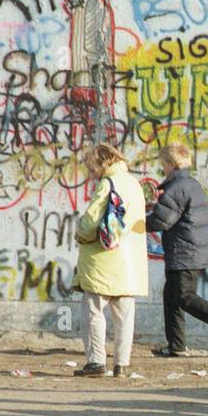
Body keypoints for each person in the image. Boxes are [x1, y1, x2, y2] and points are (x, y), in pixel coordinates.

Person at [147, 142, 208, 357]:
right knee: (171, 296)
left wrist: (139, 222)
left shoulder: (176, 188)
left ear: (171, 163)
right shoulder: (192, 184)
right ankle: (176, 346)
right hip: (193, 250)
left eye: (163, 163)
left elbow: (163, 221)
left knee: (184, 296)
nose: (162, 168)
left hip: (184, 252)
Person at [73, 143, 148, 378]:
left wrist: (80, 233)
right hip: (131, 261)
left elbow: (91, 221)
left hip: (103, 259)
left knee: (94, 310)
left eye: (92, 169)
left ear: (103, 163)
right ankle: (121, 364)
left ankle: (96, 362)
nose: (91, 175)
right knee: (124, 315)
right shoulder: (134, 184)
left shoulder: (108, 183)